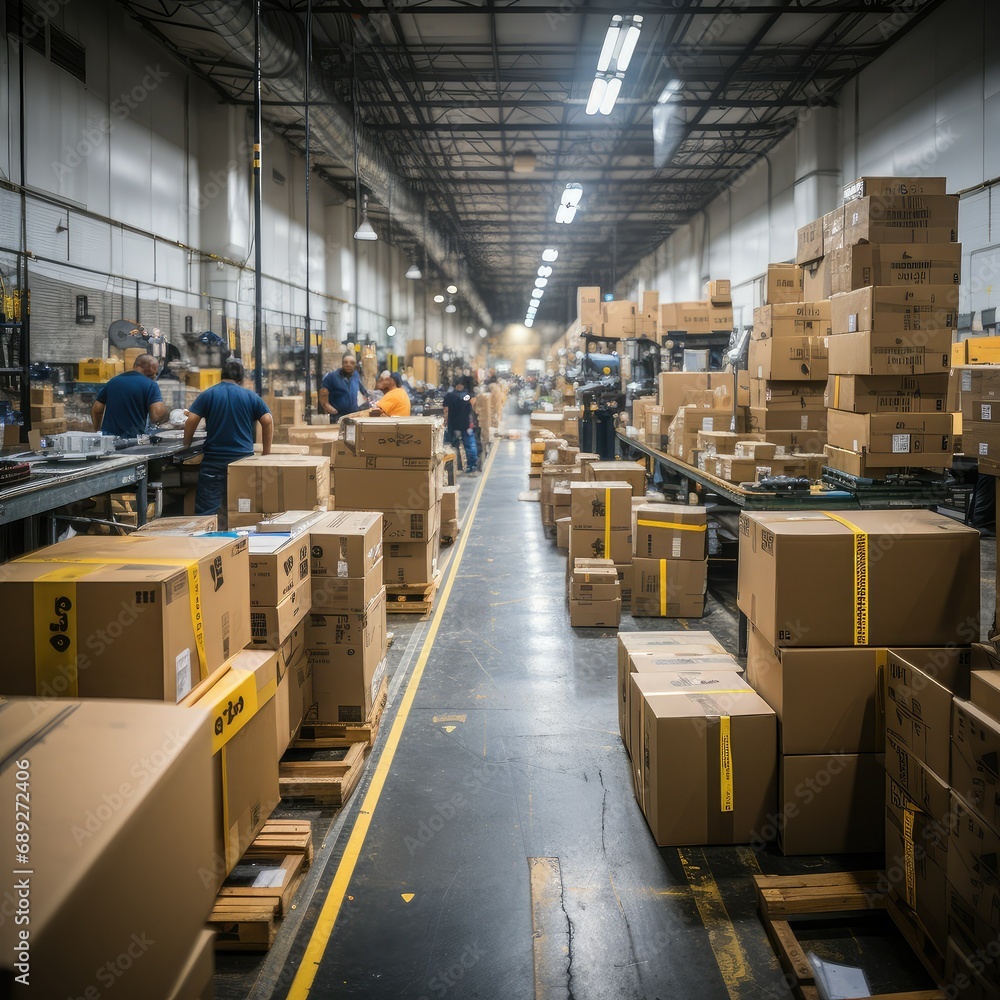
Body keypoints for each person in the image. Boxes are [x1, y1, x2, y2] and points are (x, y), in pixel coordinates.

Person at [182, 357, 273, 519]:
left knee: (207, 513)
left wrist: (186, 444)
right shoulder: (250, 396)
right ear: (241, 379)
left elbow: (192, 419)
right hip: (243, 462)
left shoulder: (209, 394)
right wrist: (266, 454)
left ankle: (206, 540)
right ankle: (239, 539)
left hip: (214, 462)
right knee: (243, 509)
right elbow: (267, 420)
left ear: (221, 375)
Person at [92, 354, 167, 437]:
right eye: (155, 373)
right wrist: (168, 415)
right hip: (132, 441)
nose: (155, 376)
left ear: (135, 365)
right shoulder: (151, 385)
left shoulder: (113, 381)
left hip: (108, 439)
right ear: (152, 370)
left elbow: (97, 409)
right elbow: (156, 416)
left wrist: (97, 429)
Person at [320, 350, 369, 422]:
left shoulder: (356, 376)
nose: (348, 365)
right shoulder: (332, 377)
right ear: (342, 363)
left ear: (355, 365)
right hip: (337, 417)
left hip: (354, 417)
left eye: (352, 363)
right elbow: (323, 394)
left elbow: (364, 393)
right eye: (346, 362)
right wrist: (331, 410)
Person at [442, 378, 478, 473]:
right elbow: (472, 404)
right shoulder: (467, 395)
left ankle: (457, 467)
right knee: (469, 445)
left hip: (454, 425)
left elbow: (446, 410)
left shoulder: (449, 396)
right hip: (466, 424)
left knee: (454, 446)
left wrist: (445, 421)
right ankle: (471, 465)